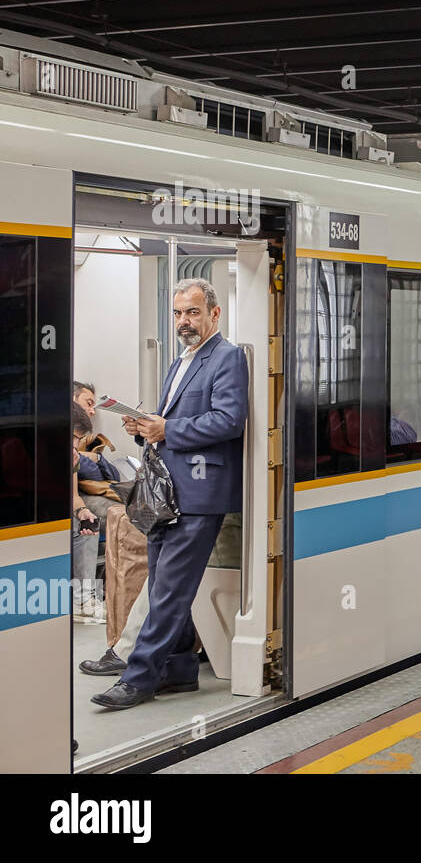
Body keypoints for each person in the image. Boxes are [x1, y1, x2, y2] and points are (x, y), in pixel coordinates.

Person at [91, 277, 248, 711]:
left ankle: (139, 678)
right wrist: (145, 429)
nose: (184, 321)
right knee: (163, 583)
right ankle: (178, 670)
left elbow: (229, 421)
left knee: (169, 591)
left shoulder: (227, 357)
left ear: (214, 314)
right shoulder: (181, 361)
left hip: (201, 493)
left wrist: (168, 428)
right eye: (178, 313)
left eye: (193, 312)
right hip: (168, 494)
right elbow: (171, 424)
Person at [70, 403, 104, 623]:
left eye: (78, 440)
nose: (75, 445)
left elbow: (72, 495)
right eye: (73, 436)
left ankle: (83, 601)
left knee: (84, 527)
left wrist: (82, 510)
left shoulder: (71, 457)